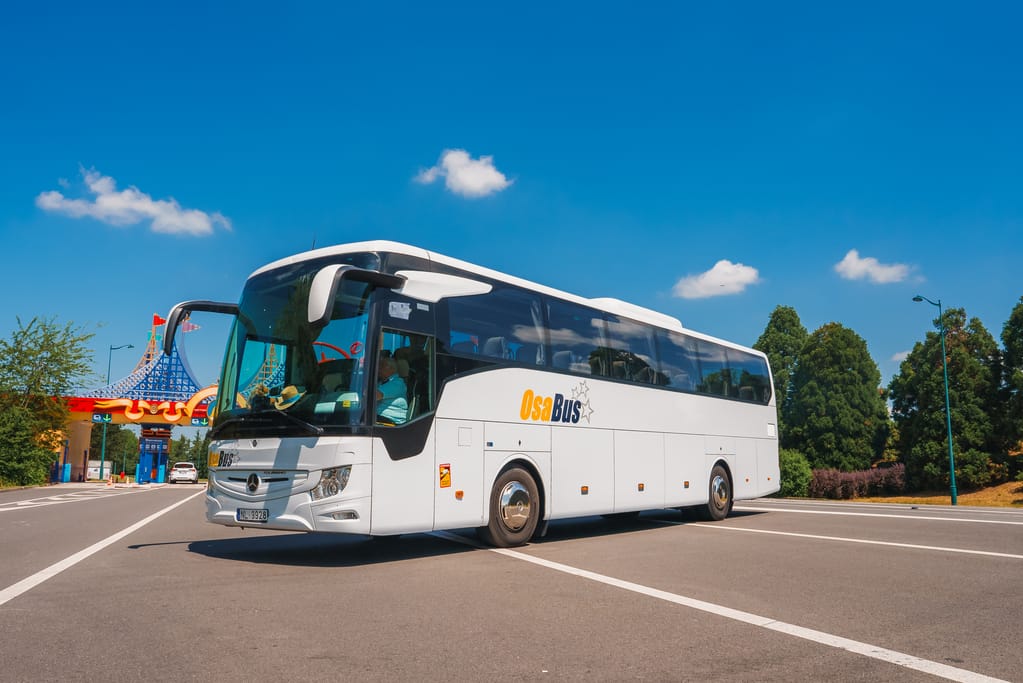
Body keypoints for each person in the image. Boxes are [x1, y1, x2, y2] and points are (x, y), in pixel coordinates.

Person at [376, 354, 408, 425]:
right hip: (380, 419)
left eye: (382, 366)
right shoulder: (381, 382)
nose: (378, 368)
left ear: (391, 369)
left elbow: (375, 396)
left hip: (391, 421)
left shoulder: (397, 383)